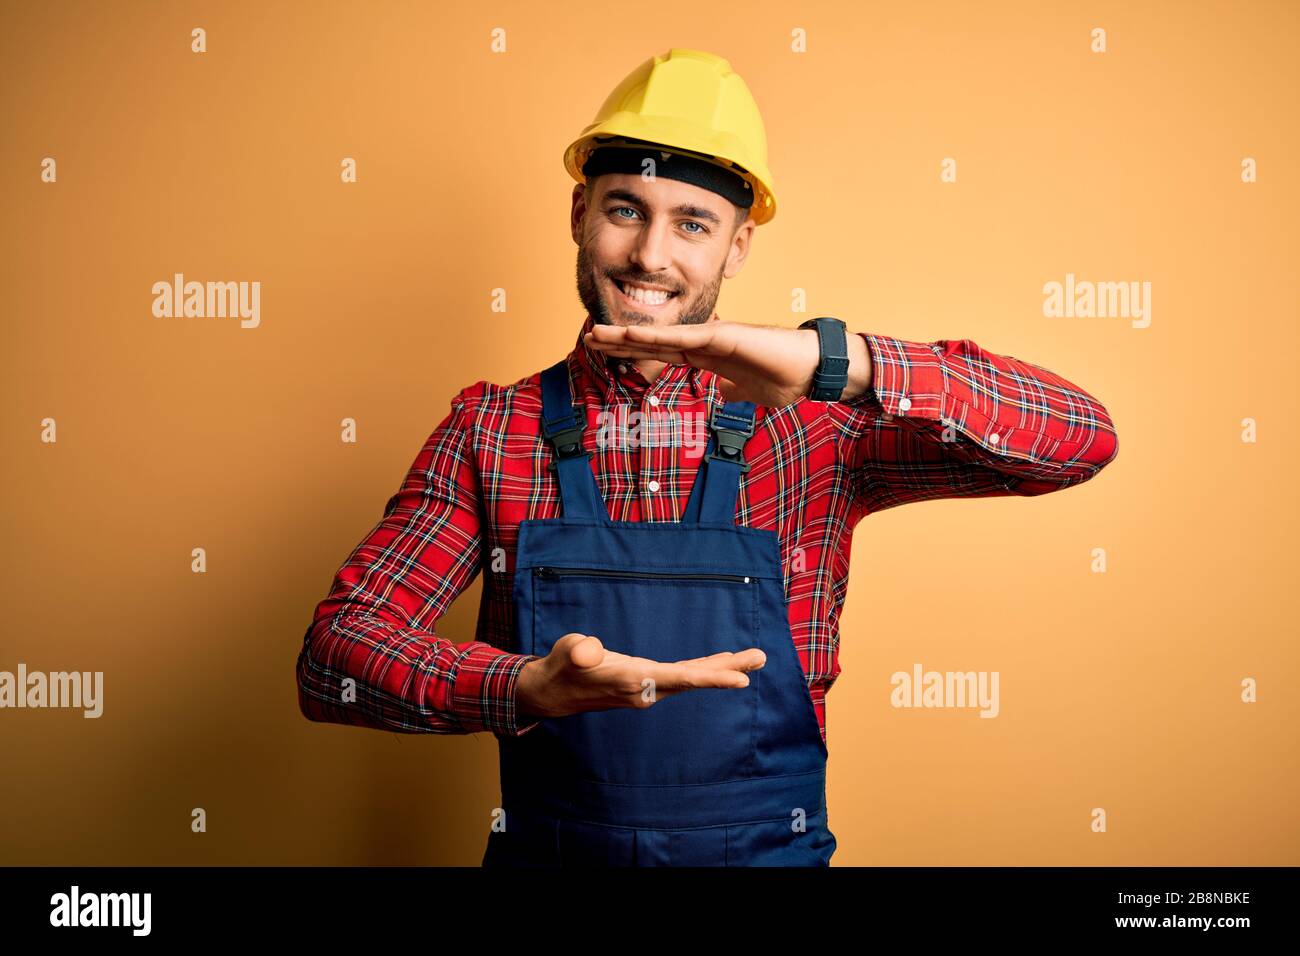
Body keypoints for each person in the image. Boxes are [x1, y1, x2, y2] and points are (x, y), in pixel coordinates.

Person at [295, 48, 1119, 866]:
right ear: (579, 213)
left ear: (737, 247)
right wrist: (522, 689)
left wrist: (839, 363)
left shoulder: (816, 429)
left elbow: (1079, 439)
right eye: (626, 210)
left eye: (693, 223)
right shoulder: (493, 427)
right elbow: (335, 657)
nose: (652, 255)